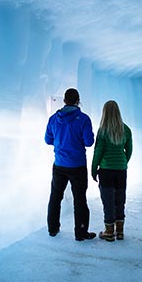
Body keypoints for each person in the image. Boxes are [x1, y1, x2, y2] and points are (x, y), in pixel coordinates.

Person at [45, 88, 97, 240]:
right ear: (77, 100)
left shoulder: (54, 119)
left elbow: (48, 140)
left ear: (64, 100)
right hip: (77, 166)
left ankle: (52, 229)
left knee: (55, 197)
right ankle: (80, 233)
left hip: (59, 165)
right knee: (79, 199)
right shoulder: (83, 119)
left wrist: (61, 141)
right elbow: (89, 142)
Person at [91, 100, 133, 241]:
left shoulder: (103, 131)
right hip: (121, 170)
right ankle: (120, 232)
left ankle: (109, 232)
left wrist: (93, 169)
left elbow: (98, 152)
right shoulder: (125, 129)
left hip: (106, 170)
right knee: (120, 200)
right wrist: (122, 162)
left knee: (108, 201)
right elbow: (129, 150)